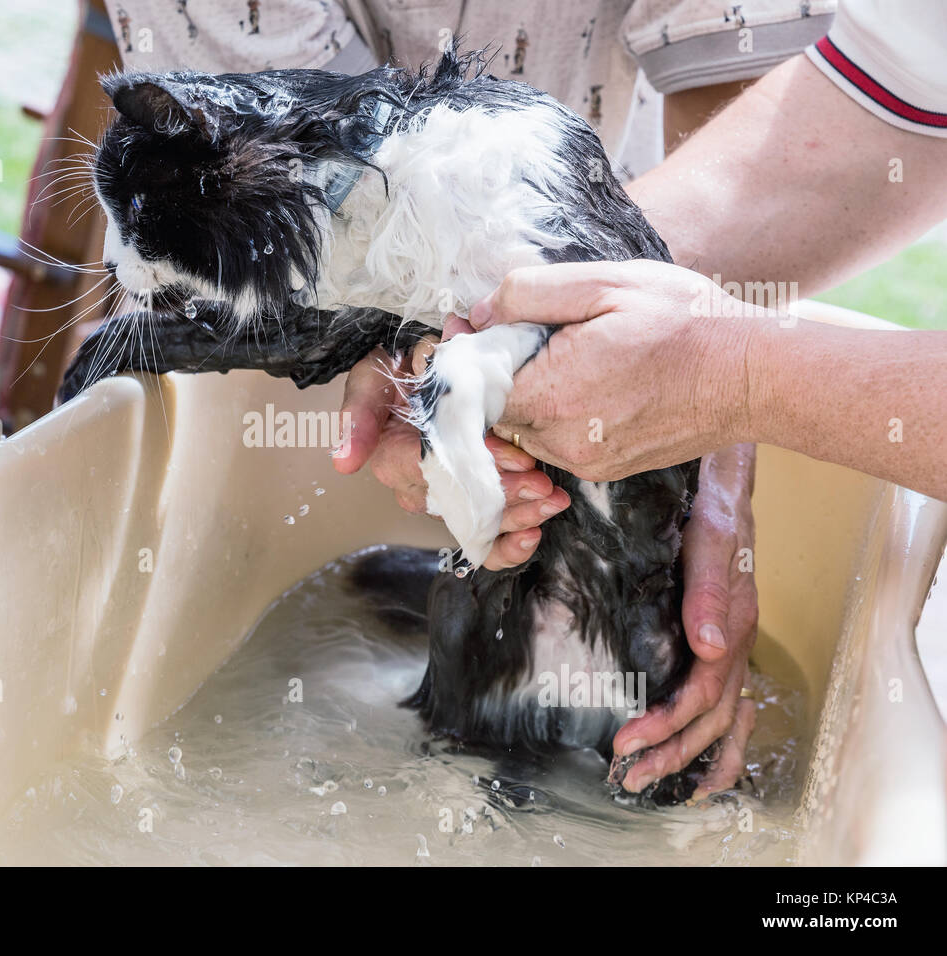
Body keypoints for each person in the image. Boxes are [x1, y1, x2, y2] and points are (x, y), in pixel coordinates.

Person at [101, 0, 841, 798]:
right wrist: (403, 347)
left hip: (627, 222)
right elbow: (308, 202)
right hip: (369, 309)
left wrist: (718, 426)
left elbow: (775, 147)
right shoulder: (271, 162)